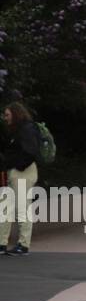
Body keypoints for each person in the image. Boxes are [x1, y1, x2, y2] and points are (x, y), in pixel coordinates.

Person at [0, 102, 41, 256]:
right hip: (15, 171)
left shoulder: (27, 129)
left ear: (15, 114)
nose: (5, 118)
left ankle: (23, 245)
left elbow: (30, 152)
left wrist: (18, 166)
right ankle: (2, 243)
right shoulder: (18, 130)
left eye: (7, 114)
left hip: (22, 172)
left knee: (22, 208)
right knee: (5, 208)